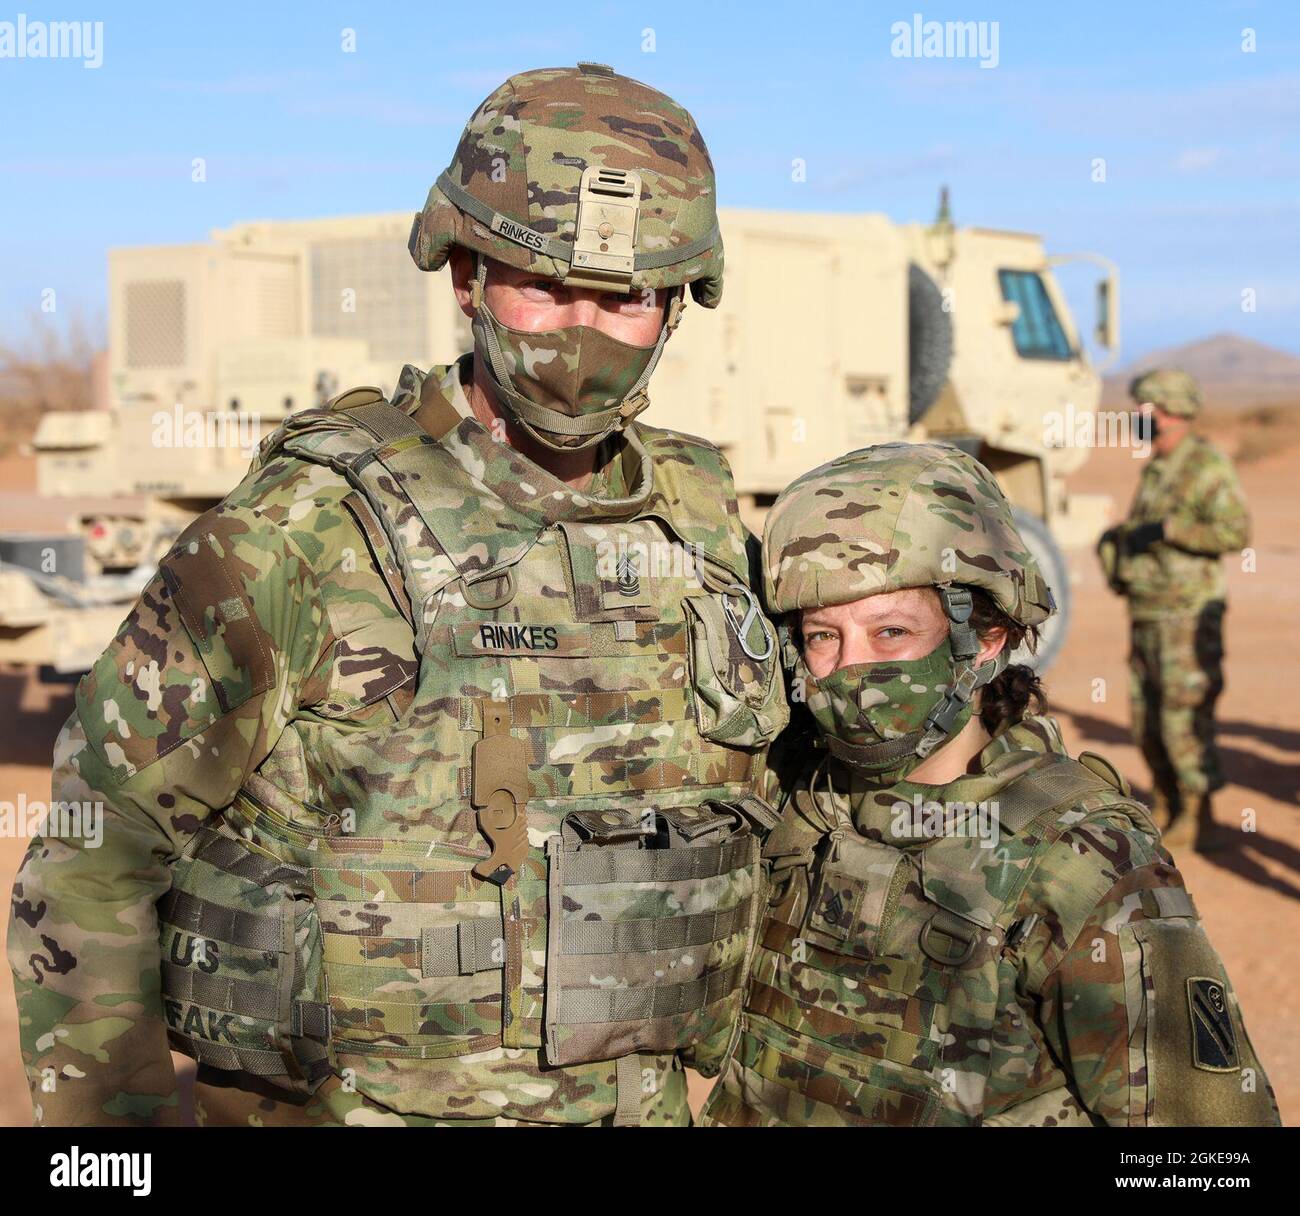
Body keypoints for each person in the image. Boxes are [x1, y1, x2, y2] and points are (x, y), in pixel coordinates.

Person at [8, 63, 788, 1127]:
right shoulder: (298, 533)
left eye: (624, 298)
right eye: (543, 285)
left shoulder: (701, 520)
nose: (582, 332)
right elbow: (96, 856)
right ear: (463, 275)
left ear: (674, 305)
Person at [701, 442, 1279, 1126]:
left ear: (985, 639)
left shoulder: (1078, 860)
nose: (850, 670)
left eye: (891, 632)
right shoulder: (798, 803)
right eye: (823, 636)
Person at [1098, 368, 1251, 853]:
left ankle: (1197, 812)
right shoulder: (1157, 467)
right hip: (1148, 609)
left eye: (1146, 410)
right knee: (1146, 718)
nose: (1137, 418)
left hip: (1186, 614)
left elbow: (1235, 532)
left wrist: (1170, 529)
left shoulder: (1206, 465)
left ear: (1171, 412)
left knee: (1183, 717)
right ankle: (1165, 802)